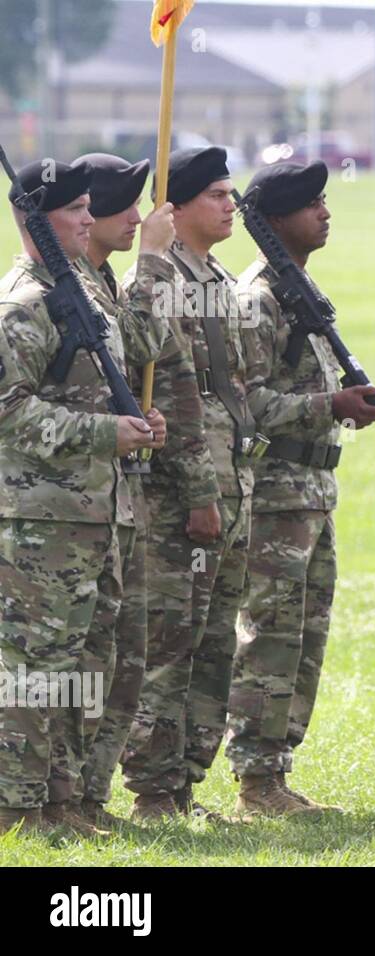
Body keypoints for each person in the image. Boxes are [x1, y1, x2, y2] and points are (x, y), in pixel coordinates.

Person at [0, 159, 165, 836]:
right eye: (75, 212)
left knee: (83, 670)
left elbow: (129, 360)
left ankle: (60, 801)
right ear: (37, 221)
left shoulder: (84, 292)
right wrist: (105, 433)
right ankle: (17, 806)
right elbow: (9, 412)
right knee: (34, 673)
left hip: (95, 514)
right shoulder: (22, 307)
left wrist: (137, 426)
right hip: (42, 520)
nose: (88, 221)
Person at [228, 160, 375, 817]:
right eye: (311, 203)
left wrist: (343, 402)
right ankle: (256, 781)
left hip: (311, 489)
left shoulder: (299, 289)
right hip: (274, 489)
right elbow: (245, 404)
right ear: (276, 219)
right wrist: (331, 405)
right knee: (272, 634)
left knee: (306, 636)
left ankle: (277, 770)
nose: (325, 212)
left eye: (325, 199)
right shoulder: (259, 297)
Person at [120, 146, 260, 821]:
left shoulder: (218, 278)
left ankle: (185, 784)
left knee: (214, 647)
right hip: (182, 493)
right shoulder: (159, 277)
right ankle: (153, 790)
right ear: (176, 209)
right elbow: (157, 368)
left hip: (232, 488)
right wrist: (200, 492)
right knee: (170, 645)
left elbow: (230, 393)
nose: (232, 206)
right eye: (218, 196)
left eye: (232, 194)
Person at [73, 151, 201, 827]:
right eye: (124, 206)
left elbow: (143, 343)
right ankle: (61, 801)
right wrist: (152, 258)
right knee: (74, 662)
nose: (138, 217)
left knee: (122, 658)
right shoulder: (70, 286)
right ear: (82, 214)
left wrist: (136, 418)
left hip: (112, 502)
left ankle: (89, 799)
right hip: (71, 508)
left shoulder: (97, 282)